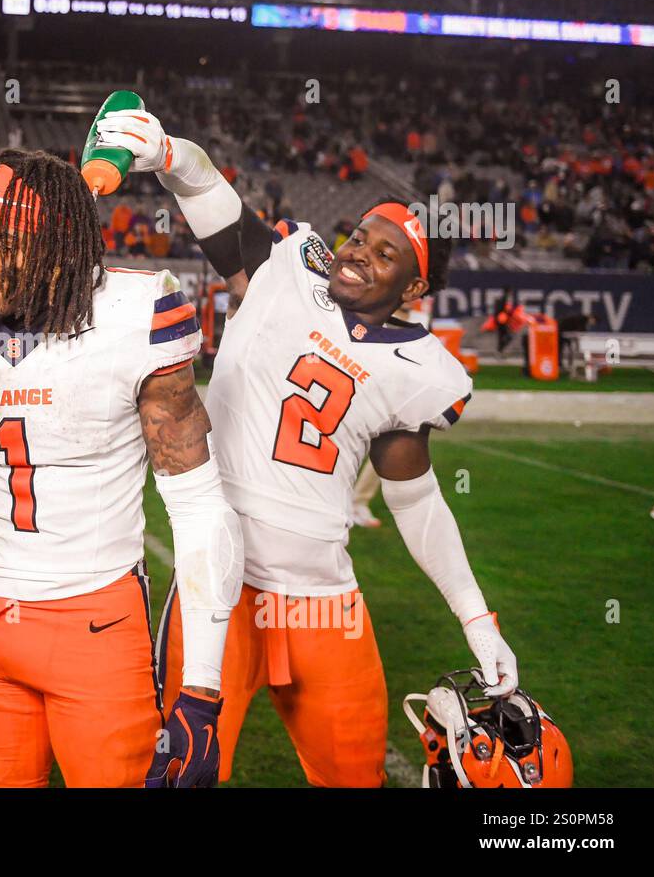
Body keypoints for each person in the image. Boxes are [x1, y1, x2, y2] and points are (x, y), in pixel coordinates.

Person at [96, 110, 519, 788]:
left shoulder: (420, 369)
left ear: (415, 289)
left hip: (324, 598)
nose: (357, 253)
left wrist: (476, 618)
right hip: (220, 591)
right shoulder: (287, 267)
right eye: (361, 237)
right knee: (179, 774)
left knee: (356, 777)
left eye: (385, 255)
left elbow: (415, 501)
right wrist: (172, 153)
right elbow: (213, 199)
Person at [0, 150, 242, 788]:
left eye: (1, 244)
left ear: (59, 248)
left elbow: (199, 505)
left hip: (96, 626)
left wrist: (201, 691)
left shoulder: (135, 313)